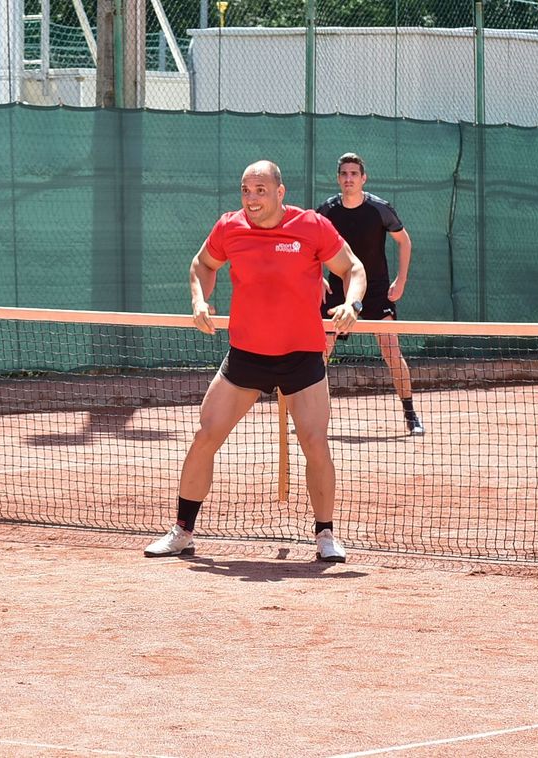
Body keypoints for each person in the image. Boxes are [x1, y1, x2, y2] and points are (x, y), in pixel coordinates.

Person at [144, 160, 367, 563]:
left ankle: (325, 535)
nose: (251, 198)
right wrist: (198, 300)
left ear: (280, 193)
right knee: (205, 435)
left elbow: (352, 267)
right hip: (246, 355)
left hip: (302, 357)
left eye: (260, 190)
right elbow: (202, 264)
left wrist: (352, 303)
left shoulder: (311, 226)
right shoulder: (229, 227)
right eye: (246, 190)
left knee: (315, 443)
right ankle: (182, 531)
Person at [318, 152, 423, 435]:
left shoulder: (380, 209)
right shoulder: (326, 211)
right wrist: (317, 277)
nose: (348, 178)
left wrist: (401, 280)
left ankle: (411, 414)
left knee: (391, 349)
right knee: (320, 352)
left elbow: (404, 241)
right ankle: (314, 414)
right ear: (338, 179)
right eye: (344, 174)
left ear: (363, 178)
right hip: (338, 287)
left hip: (376, 290)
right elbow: (310, 244)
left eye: (354, 174)